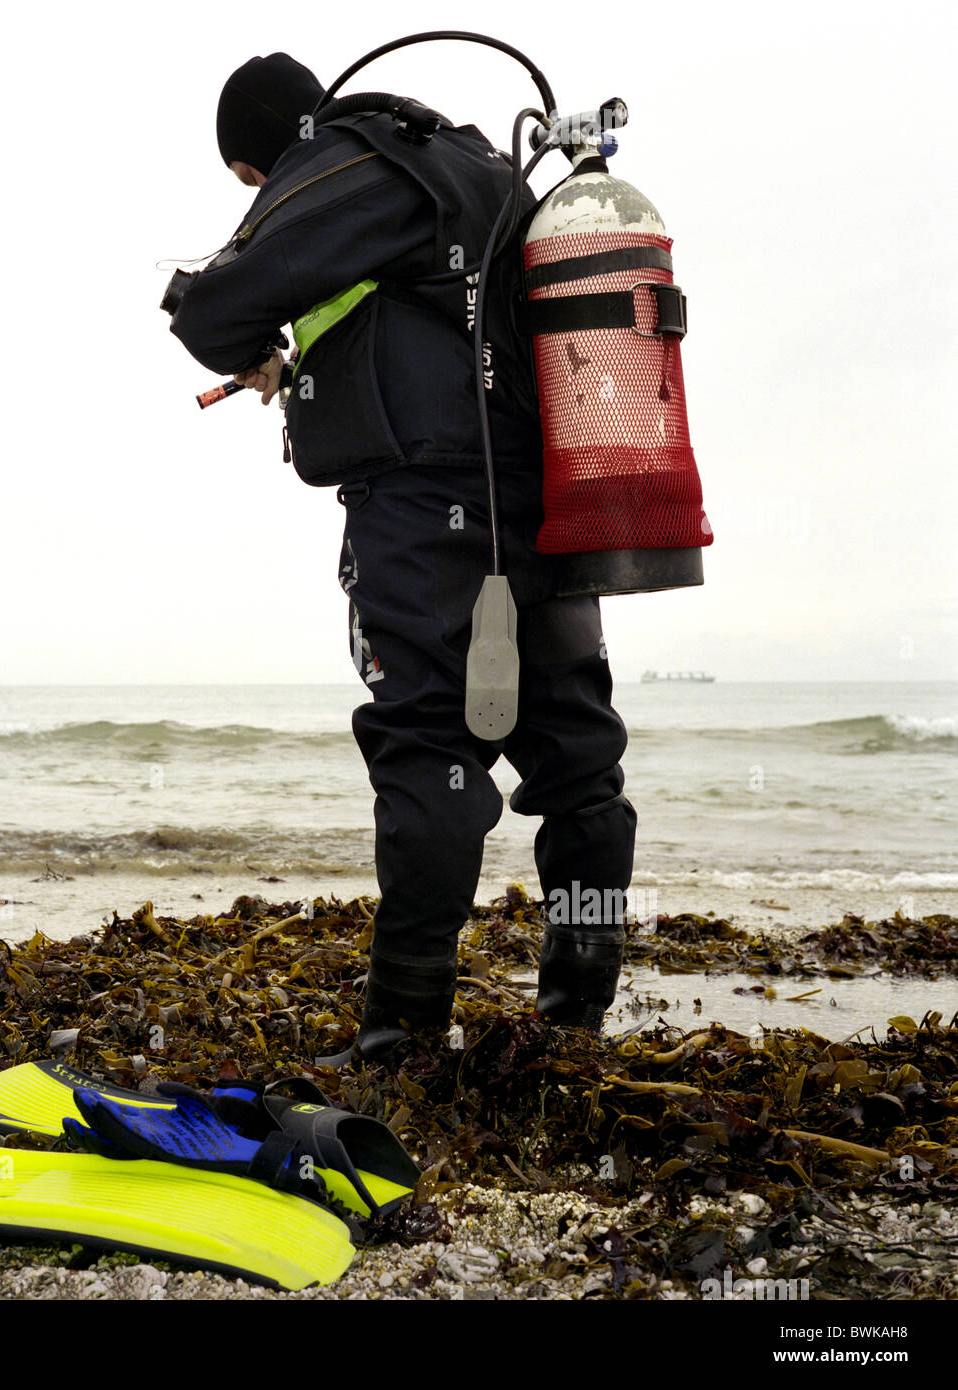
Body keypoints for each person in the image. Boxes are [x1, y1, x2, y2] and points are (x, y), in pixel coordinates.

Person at [167, 53, 637, 1060]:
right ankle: (577, 1015)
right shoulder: (472, 164)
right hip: (542, 498)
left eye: (250, 179)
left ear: (262, 154)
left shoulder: (343, 159)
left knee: (426, 749)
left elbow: (211, 308)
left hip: (423, 507)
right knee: (577, 759)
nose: (259, 196)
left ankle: (403, 1031)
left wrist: (253, 345)